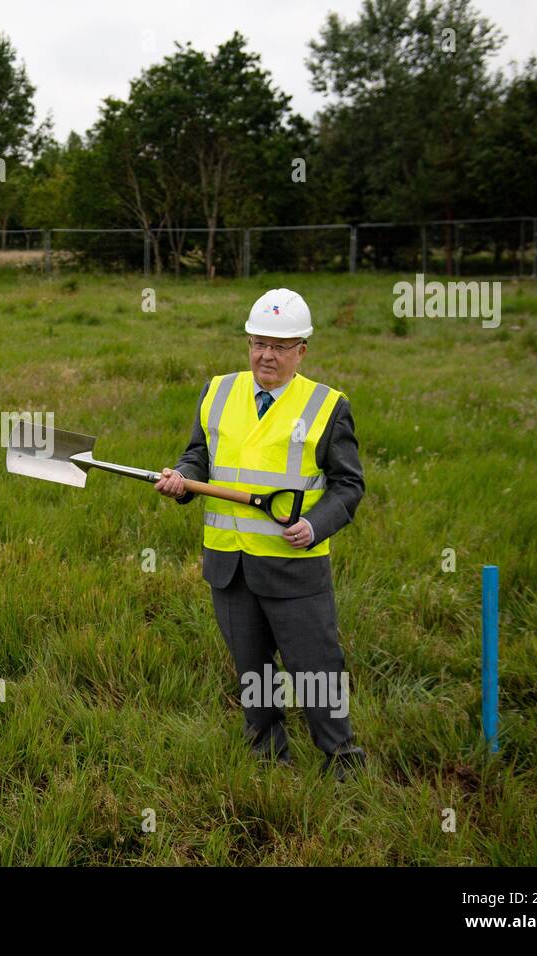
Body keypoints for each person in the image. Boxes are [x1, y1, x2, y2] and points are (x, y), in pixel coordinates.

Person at [154, 288, 367, 780]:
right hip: (229, 564)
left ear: (301, 351)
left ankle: (341, 763)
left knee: (315, 671)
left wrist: (316, 525)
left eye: (280, 345)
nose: (266, 355)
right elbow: (198, 456)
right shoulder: (218, 391)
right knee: (253, 670)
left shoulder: (327, 406)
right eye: (258, 343)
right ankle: (269, 758)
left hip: (295, 567)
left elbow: (349, 485)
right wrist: (182, 481)